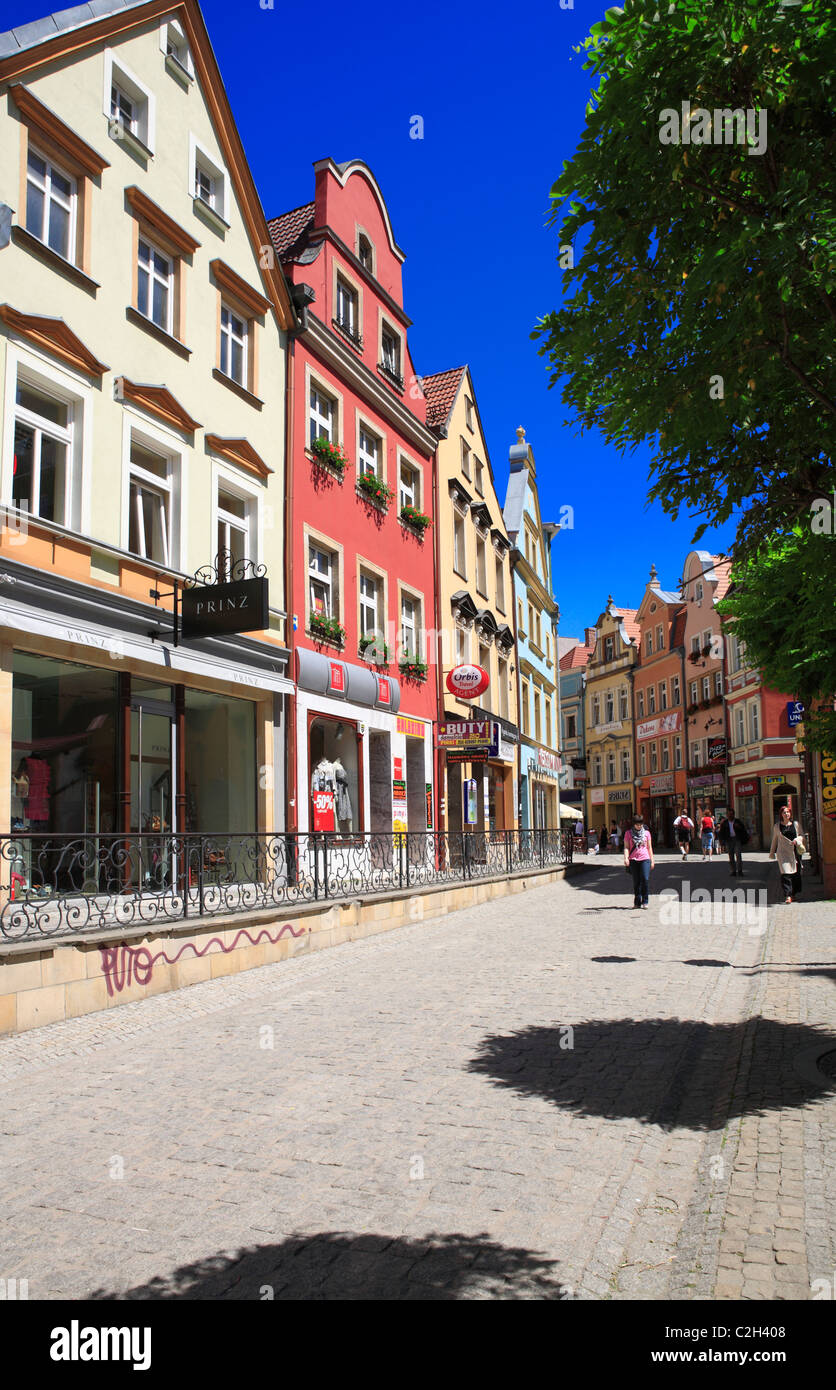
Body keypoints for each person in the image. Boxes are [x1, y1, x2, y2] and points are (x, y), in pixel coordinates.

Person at [769, 804, 806, 903]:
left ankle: (793, 894)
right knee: (785, 874)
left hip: (795, 853)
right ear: (781, 814)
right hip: (783, 853)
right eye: (784, 812)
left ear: (790, 813)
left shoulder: (796, 824)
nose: (786, 814)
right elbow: (774, 840)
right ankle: (787, 895)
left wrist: (797, 840)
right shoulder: (777, 826)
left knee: (795, 874)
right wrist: (772, 852)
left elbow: (802, 836)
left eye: (788, 812)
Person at [623, 814, 655, 908]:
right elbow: (626, 847)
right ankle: (637, 902)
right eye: (637, 824)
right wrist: (626, 858)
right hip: (633, 860)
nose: (639, 826)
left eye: (641, 824)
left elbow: (649, 847)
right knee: (636, 881)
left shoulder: (647, 833)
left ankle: (645, 901)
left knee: (645, 879)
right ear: (633, 824)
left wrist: (652, 860)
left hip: (645, 858)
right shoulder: (628, 833)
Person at [719, 808, 749, 876]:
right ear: (727, 815)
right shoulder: (725, 823)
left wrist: (739, 827)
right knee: (731, 856)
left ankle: (740, 870)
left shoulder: (737, 821)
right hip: (729, 840)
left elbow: (743, 830)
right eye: (729, 814)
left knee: (738, 855)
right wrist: (722, 842)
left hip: (737, 839)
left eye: (732, 814)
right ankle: (733, 871)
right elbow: (721, 833)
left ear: (734, 814)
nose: (730, 816)